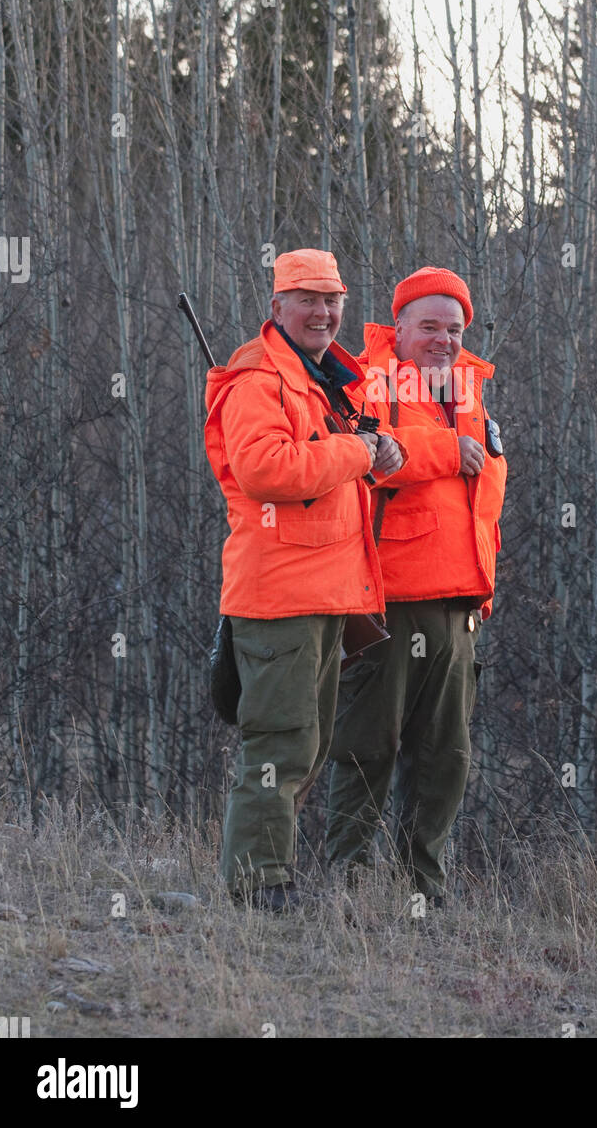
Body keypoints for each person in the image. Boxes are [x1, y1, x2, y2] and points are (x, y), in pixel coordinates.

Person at [203, 248, 404, 912]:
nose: (323, 312)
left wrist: (379, 456)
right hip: (279, 594)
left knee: (306, 748)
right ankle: (257, 887)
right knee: (280, 745)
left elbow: (334, 463)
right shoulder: (260, 378)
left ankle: (269, 877)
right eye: (308, 299)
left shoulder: (319, 378)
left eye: (332, 300)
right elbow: (267, 470)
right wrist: (357, 451)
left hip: (324, 594)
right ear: (278, 307)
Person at [326, 266, 507, 905]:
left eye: (453, 328)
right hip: (389, 600)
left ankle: (422, 893)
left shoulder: (470, 393)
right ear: (398, 326)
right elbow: (364, 455)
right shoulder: (370, 382)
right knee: (367, 747)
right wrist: (447, 452)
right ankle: (340, 887)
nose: (442, 338)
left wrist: (482, 589)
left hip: (460, 605)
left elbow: (482, 504)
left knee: (444, 760)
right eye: (428, 325)